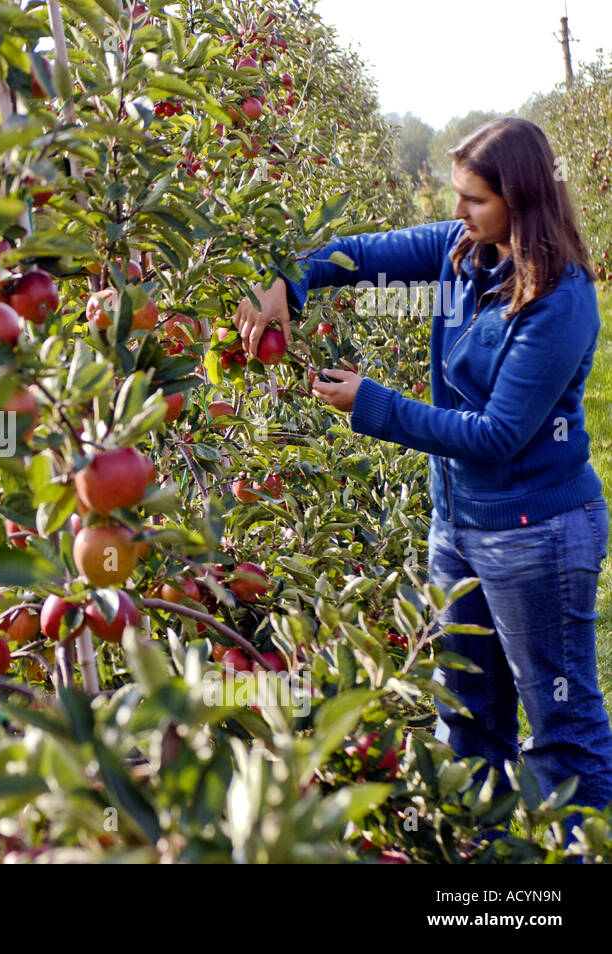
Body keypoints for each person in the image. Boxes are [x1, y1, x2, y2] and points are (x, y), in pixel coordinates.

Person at [234, 117, 612, 842]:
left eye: (475, 199)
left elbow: (499, 435)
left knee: (562, 725)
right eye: (458, 196)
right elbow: (358, 257)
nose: (459, 212)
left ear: (522, 200)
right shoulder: (460, 252)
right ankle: (487, 871)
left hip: (537, 534)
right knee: (465, 714)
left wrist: (374, 404)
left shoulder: (561, 300)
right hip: (459, 526)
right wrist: (289, 277)